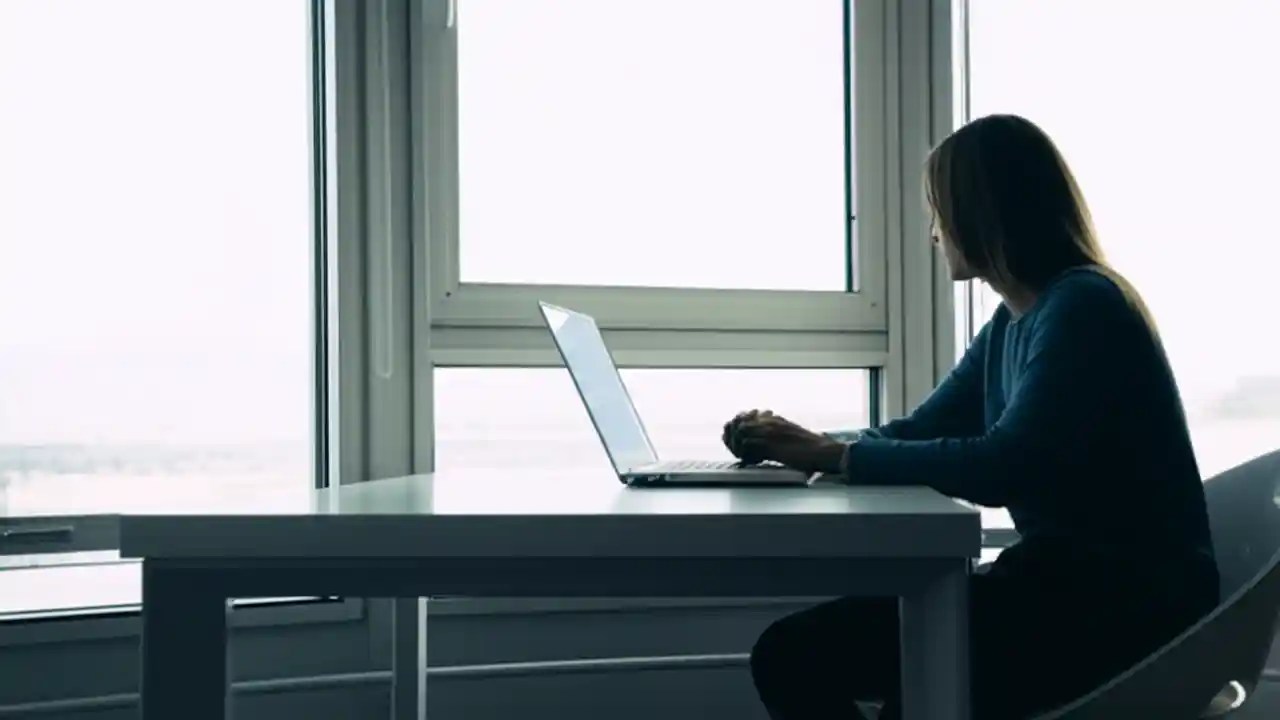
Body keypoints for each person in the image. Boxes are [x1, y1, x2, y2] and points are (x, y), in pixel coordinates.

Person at [723, 114, 1220, 720]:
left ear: (983, 213)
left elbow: (1004, 465)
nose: (934, 232)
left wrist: (831, 455)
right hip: (1061, 589)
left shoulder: (1084, 306)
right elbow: (919, 431)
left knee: (795, 656)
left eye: (939, 211)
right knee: (858, 673)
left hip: (1120, 611)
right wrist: (800, 444)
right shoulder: (1014, 320)